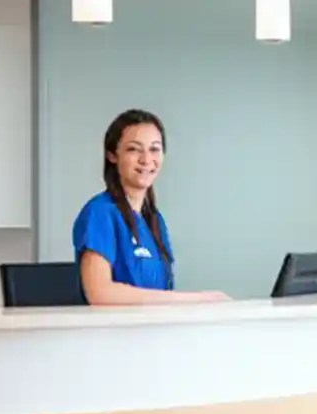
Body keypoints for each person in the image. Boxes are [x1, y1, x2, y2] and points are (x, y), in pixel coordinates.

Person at [73, 109, 230, 305]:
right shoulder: (100, 213)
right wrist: (199, 299)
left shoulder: (154, 221)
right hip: (116, 334)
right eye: (134, 149)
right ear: (112, 155)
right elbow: (100, 293)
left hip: (154, 332)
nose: (146, 159)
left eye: (154, 149)